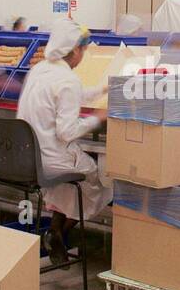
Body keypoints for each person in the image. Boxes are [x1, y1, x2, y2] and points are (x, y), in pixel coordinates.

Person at [16, 19, 111, 264]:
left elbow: (73, 92)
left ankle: (55, 231)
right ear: (75, 50)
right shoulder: (67, 80)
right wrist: (96, 119)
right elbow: (67, 132)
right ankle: (62, 230)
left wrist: (102, 89)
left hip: (26, 157)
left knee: (63, 186)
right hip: (52, 160)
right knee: (100, 180)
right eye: (84, 50)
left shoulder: (40, 70)